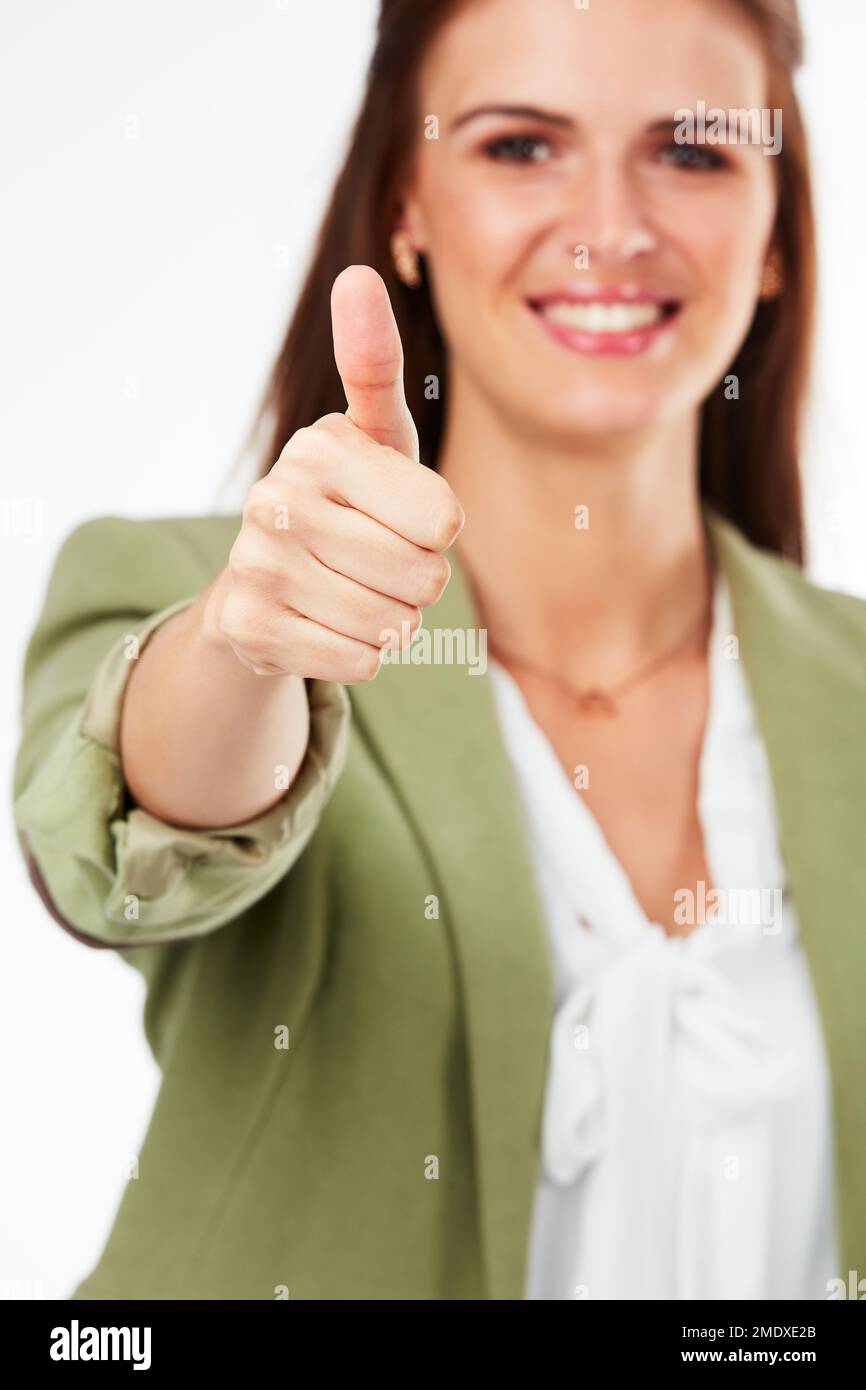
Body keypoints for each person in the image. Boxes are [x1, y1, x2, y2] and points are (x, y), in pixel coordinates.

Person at [14, 0, 866, 1300]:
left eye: (692, 151)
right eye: (520, 145)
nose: (609, 226)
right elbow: (138, 843)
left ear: (771, 234)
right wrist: (251, 647)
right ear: (406, 204)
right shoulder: (190, 591)